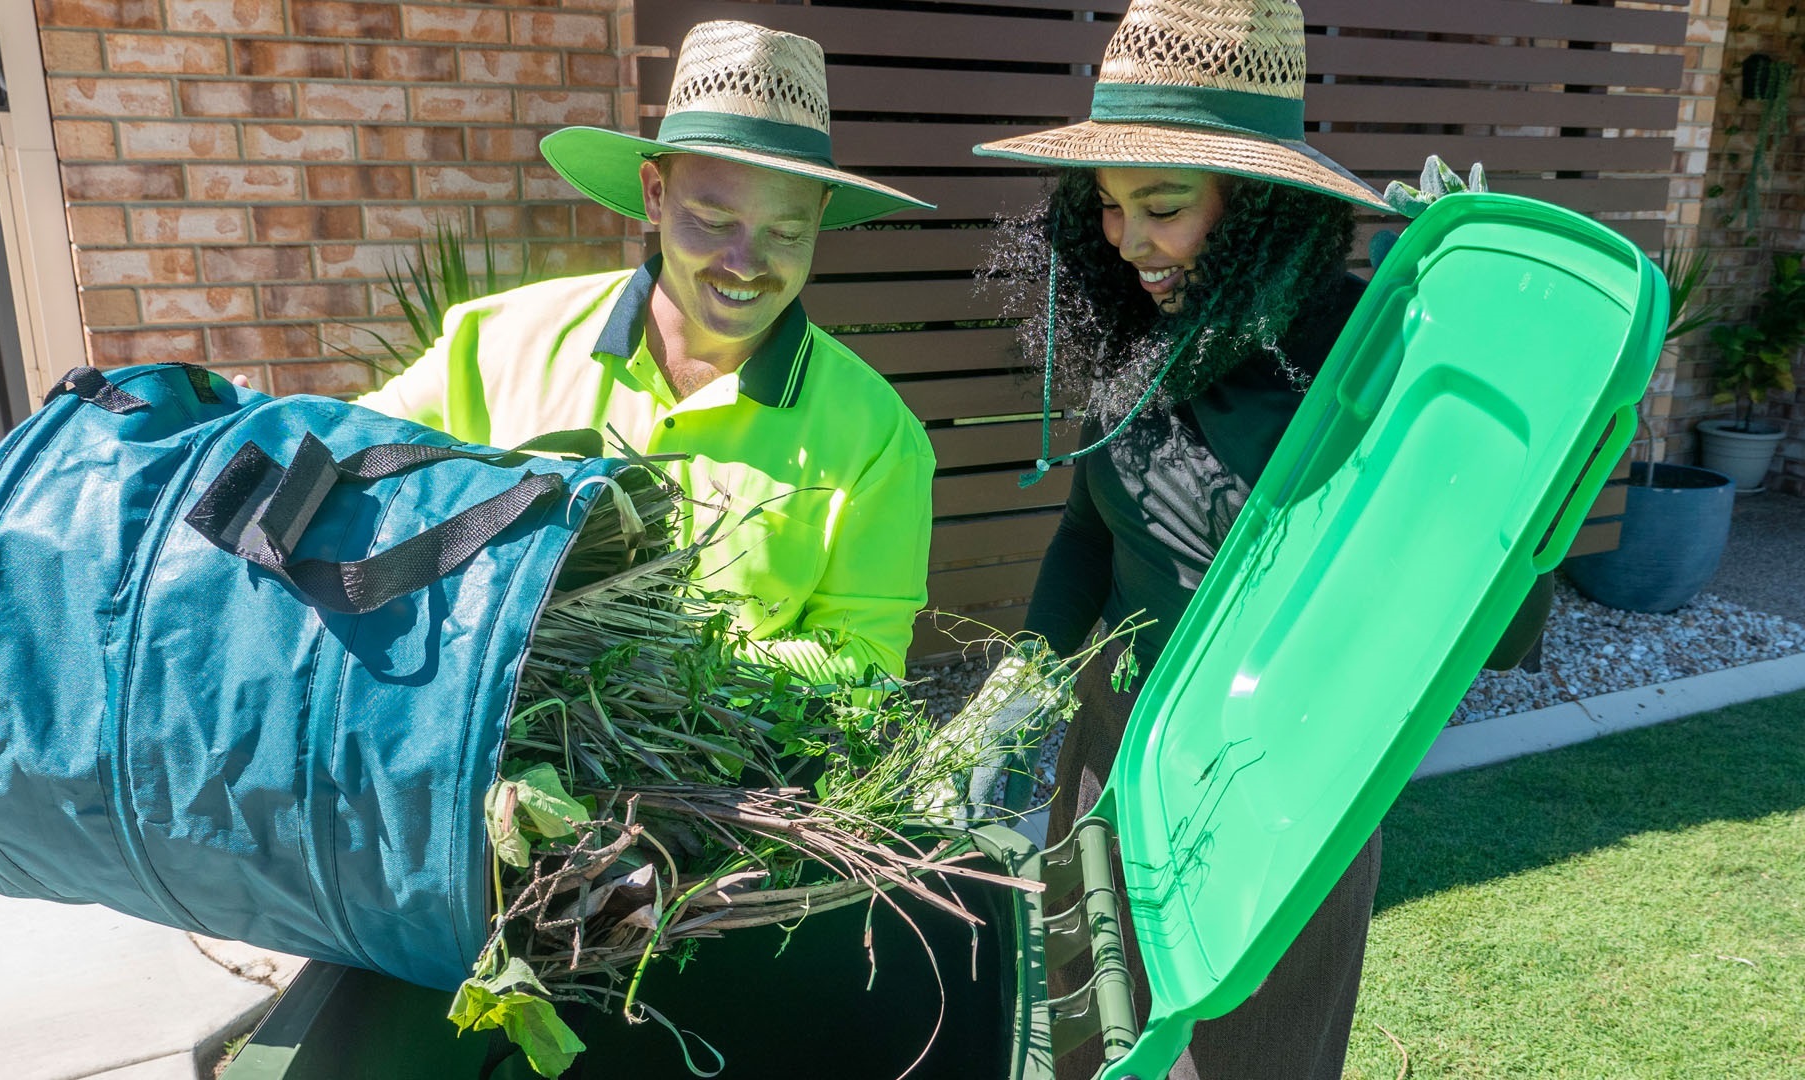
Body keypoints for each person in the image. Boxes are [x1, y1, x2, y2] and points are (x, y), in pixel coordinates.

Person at [972, 1, 1550, 1077]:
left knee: (1246, 1058)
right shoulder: (1139, 333)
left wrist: (1502, 376)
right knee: (1084, 1044)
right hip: (1113, 755)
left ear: (1259, 207)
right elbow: (1087, 534)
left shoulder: (1379, 358)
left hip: (1283, 793)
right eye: (1106, 205)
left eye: (1164, 205)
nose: (1127, 240)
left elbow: (1504, 626)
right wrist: (1020, 683)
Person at [352, 21, 937, 685]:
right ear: (655, 194)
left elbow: (865, 662)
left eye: (787, 233)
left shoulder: (878, 435)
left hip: (725, 776)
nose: (745, 265)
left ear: (821, 215)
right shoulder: (491, 343)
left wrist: (664, 677)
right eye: (714, 223)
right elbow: (352, 476)